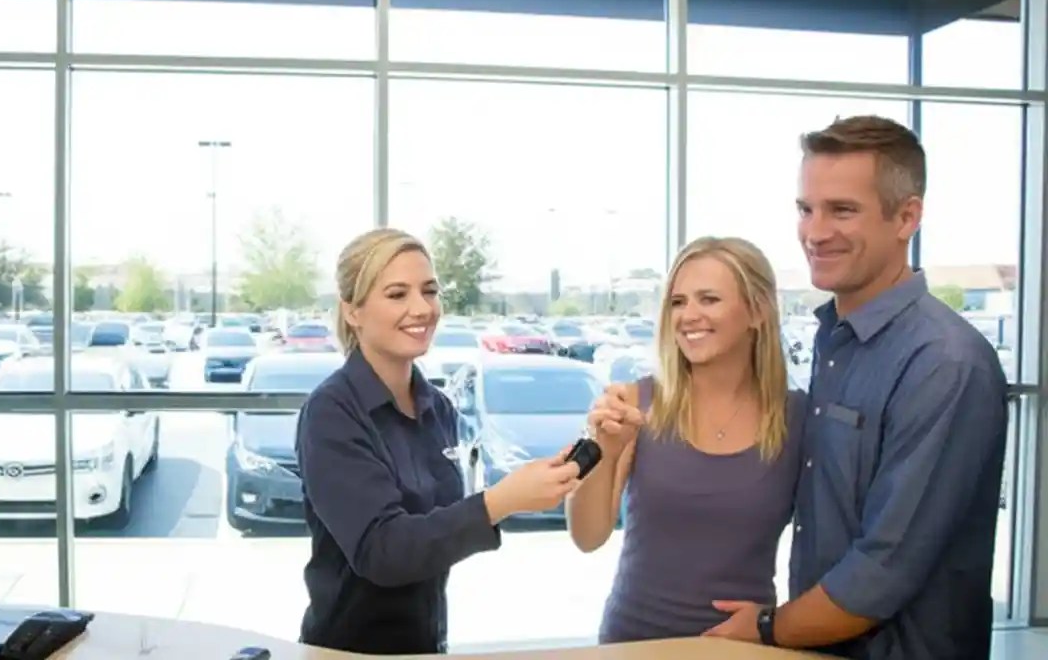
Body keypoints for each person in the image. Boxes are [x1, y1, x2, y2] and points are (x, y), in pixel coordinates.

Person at [704, 115, 1009, 659]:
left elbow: (883, 571)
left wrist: (768, 627)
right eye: (806, 209)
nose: (815, 232)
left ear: (907, 217)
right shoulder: (835, 340)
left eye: (842, 210)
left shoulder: (944, 363)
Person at [294, 227, 583, 655]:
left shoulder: (438, 408)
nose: (422, 308)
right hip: (346, 651)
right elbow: (382, 551)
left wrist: (530, 486)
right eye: (397, 294)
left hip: (425, 645)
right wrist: (501, 501)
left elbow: (436, 532)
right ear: (352, 311)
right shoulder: (331, 413)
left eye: (429, 291)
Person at [567, 235, 807, 642]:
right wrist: (602, 451)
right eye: (678, 302)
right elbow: (587, 537)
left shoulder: (798, 419)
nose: (688, 316)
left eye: (708, 299)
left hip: (742, 648)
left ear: (758, 310)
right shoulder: (634, 403)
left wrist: (778, 622)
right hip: (635, 643)